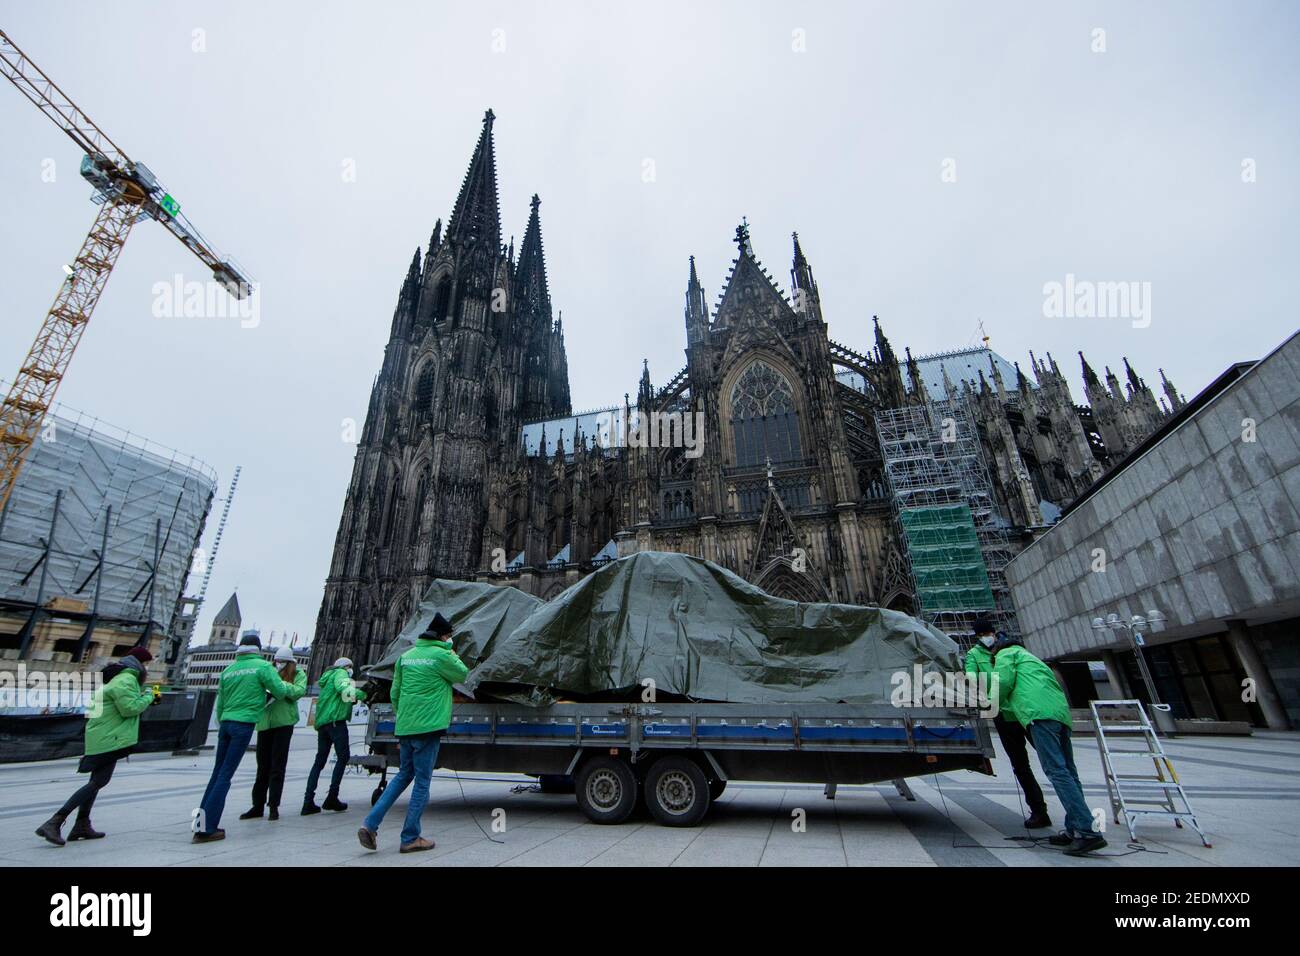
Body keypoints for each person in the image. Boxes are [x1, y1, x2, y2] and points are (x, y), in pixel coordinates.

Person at [358, 612, 468, 853]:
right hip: (428, 728)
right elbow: (462, 673)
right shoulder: (441, 655)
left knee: (402, 776)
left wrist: (406, 720)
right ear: (443, 636)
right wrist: (450, 650)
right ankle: (410, 837)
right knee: (422, 782)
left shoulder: (406, 657)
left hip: (406, 727)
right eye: (449, 636)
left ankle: (370, 823)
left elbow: (395, 694)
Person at [993, 635, 1108, 857]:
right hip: (1060, 715)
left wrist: (989, 704)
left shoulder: (1006, 654)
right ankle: (1074, 828)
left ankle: (1088, 830)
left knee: (1057, 771)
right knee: (1069, 772)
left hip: (1039, 715)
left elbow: (1003, 683)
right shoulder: (1033, 658)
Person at [36, 647, 159, 846]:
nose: (147, 670)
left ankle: (81, 824)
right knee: (99, 782)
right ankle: (55, 821)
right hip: (109, 737)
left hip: (105, 735)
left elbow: (132, 705)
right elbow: (130, 708)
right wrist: (149, 696)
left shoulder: (118, 679)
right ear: (139, 664)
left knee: (97, 781)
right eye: (146, 665)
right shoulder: (126, 680)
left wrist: (147, 698)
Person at [193, 633, 291, 843]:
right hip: (243, 724)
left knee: (216, 774)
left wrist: (224, 721)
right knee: (225, 776)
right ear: (258, 648)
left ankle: (199, 825)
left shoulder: (229, 670)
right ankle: (207, 829)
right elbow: (280, 692)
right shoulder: (263, 667)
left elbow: (220, 704)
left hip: (226, 724)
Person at [964, 616, 1050, 830]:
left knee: (1053, 763)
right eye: (981, 635)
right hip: (1004, 715)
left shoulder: (1013, 651)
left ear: (994, 633)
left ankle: (1075, 814)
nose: (986, 638)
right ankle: (1038, 810)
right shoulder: (974, 654)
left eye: (987, 634)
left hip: (1027, 712)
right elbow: (971, 678)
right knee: (1020, 765)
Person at [240, 645, 307, 821]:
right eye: (277, 661)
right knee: (262, 766)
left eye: (283, 661)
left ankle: (274, 806)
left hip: (284, 722)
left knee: (278, 766)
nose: (279, 664)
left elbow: (299, 691)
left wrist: (280, 686)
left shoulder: (298, 673)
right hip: (265, 723)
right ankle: (257, 805)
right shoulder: (267, 671)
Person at [302, 656, 367, 814]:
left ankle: (308, 801)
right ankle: (332, 796)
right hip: (335, 723)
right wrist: (363, 694)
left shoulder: (327, 679)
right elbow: (345, 690)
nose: (351, 670)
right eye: (350, 666)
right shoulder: (340, 674)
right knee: (343, 757)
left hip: (323, 724)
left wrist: (354, 697)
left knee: (319, 762)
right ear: (345, 666)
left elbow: (346, 698)